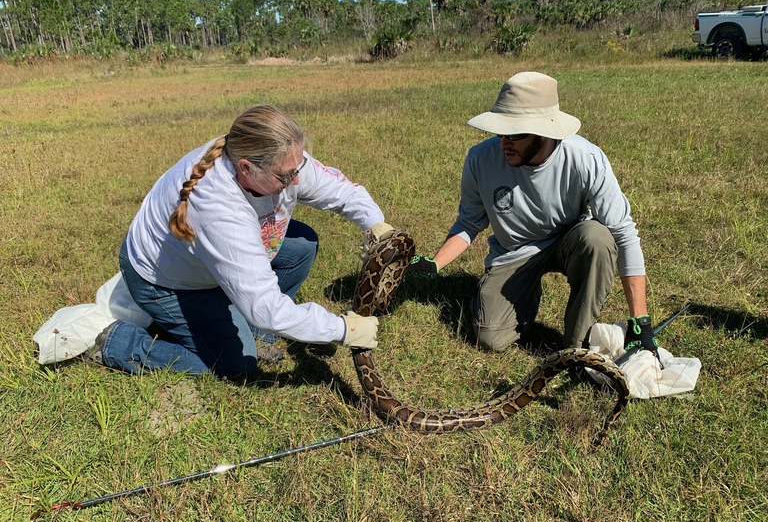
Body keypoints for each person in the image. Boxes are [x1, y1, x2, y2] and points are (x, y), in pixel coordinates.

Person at [88, 105, 393, 379]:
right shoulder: (219, 211)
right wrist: (343, 329)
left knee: (301, 246)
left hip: (204, 260)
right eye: (285, 177)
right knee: (235, 363)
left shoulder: (280, 158)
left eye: (298, 168)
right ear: (246, 168)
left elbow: (343, 192)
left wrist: (377, 226)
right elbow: (266, 308)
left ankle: (257, 333)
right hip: (166, 282)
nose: (297, 181)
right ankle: (116, 342)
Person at [409, 71, 658, 355]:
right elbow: (469, 222)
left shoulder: (586, 159)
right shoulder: (480, 159)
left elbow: (624, 233)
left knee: (598, 238)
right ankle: (524, 294)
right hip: (514, 251)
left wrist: (640, 322)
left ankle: (575, 345)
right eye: (499, 131)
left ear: (545, 132)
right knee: (489, 337)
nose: (504, 143)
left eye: (515, 134)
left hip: (569, 240)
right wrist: (434, 264)